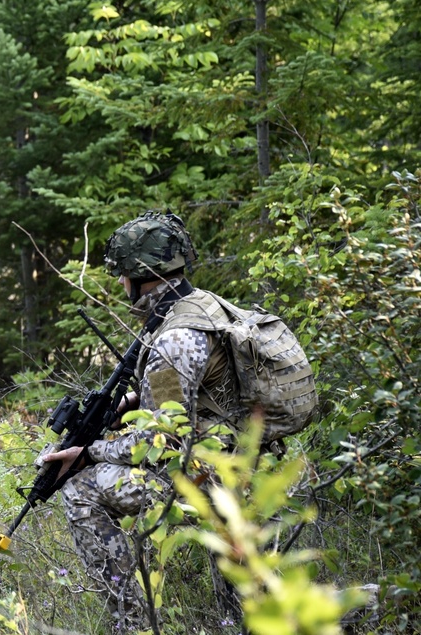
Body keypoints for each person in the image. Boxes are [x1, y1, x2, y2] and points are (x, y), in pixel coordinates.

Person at [43, 210, 292, 631]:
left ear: (142, 276)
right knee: (254, 608)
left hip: (212, 476)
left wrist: (89, 453)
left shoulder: (174, 337)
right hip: (244, 461)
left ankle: (133, 625)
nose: (122, 285)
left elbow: (163, 442)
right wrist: (136, 400)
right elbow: (193, 390)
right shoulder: (202, 305)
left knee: (81, 490)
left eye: (124, 275)